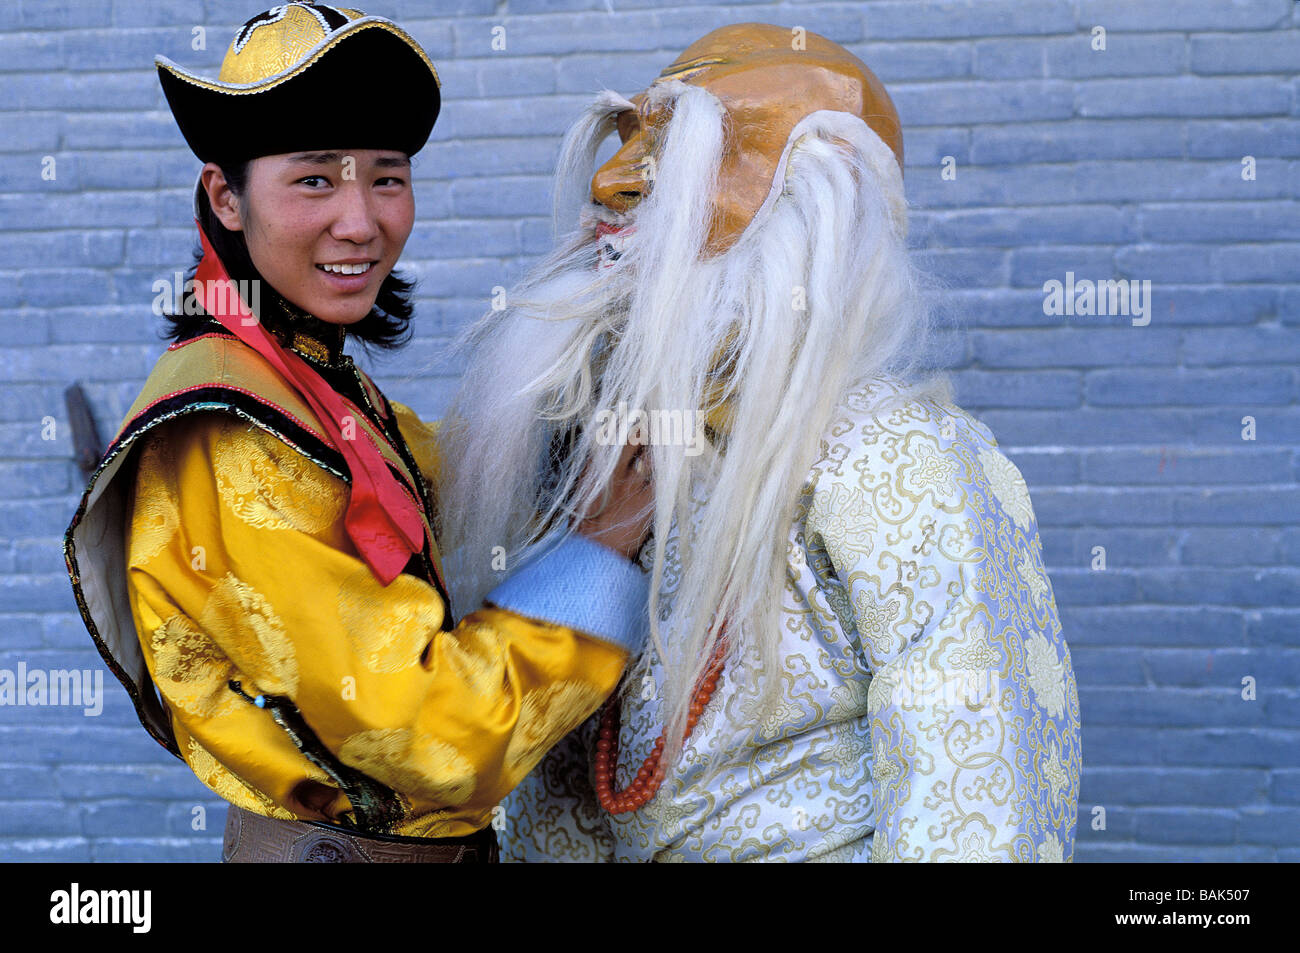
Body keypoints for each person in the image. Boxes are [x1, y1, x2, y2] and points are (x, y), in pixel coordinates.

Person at [440, 23, 1082, 862]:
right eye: (624, 139)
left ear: (814, 204)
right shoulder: (595, 443)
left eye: (676, 150)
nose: (611, 181)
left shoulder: (901, 456)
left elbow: (979, 801)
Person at [63, 2, 653, 863]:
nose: (361, 221)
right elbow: (428, 737)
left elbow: (451, 480)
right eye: (314, 180)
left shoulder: (314, 383)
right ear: (226, 196)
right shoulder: (234, 433)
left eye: (386, 176)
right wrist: (600, 549)